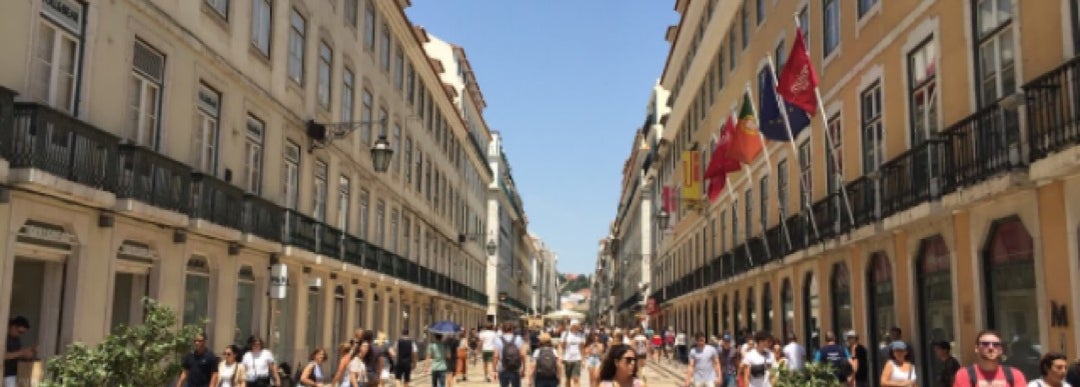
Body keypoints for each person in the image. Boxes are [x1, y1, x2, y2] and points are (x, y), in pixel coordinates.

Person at [952, 330, 1026, 387]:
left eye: (996, 344)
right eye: (985, 344)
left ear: (1001, 350)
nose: (991, 347)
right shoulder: (964, 375)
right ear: (976, 348)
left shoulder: (1014, 375)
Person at [493, 323, 528, 387]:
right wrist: (524, 369)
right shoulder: (518, 339)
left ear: (502, 330)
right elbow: (522, 355)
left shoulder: (498, 340)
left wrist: (494, 370)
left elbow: (496, 356)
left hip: (502, 367)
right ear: (512, 329)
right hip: (515, 368)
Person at [4, 316, 34, 387]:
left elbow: (17, 355)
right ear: (13, 327)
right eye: (19, 332)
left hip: (15, 374)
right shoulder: (3, 337)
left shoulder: (16, 339)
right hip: (6, 375)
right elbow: (3, 355)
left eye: (22, 333)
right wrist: (22, 352)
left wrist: (27, 355)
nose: (20, 334)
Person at [561, 322, 586, 387]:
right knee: (568, 379)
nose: (576, 327)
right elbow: (561, 346)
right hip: (567, 359)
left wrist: (583, 360)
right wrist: (561, 356)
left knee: (576, 378)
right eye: (574, 326)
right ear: (571, 326)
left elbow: (582, 348)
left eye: (577, 326)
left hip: (577, 358)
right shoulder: (565, 334)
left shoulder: (581, 335)